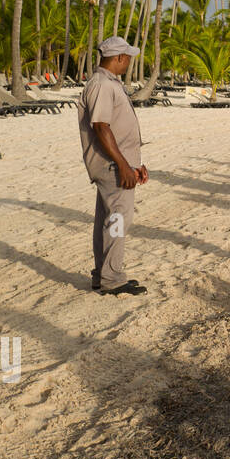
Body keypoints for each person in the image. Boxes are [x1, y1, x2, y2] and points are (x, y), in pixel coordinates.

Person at [78, 36, 149, 296]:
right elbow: (101, 126)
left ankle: (103, 275)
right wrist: (123, 165)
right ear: (118, 57)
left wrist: (134, 164)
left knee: (108, 220)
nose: (129, 61)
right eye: (127, 57)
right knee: (118, 220)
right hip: (112, 167)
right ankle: (112, 278)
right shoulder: (102, 85)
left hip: (118, 164)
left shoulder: (108, 83)